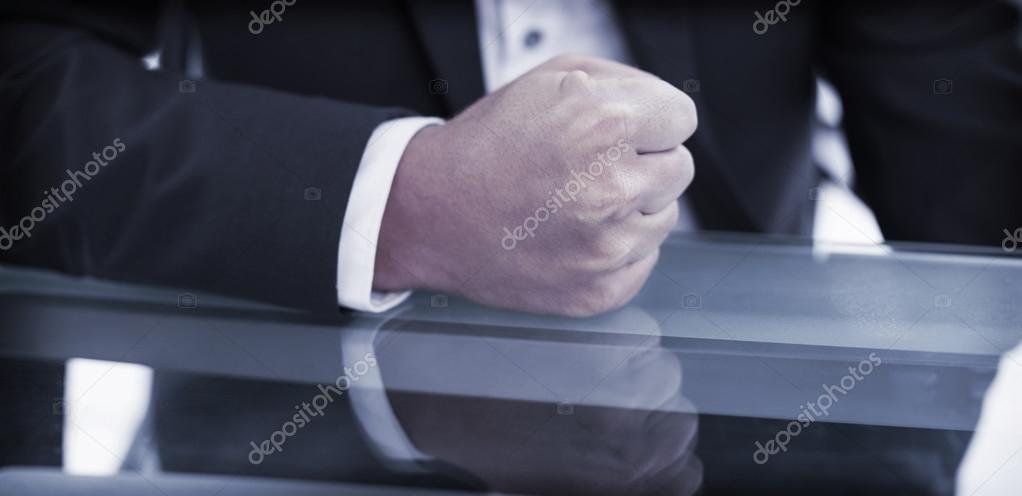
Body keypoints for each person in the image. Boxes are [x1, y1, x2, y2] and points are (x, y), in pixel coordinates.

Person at [2, 0, 1019, 319]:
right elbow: (24, 71)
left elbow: (951, 100)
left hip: (766, 415)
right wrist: (397, 202)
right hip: (292, 396)